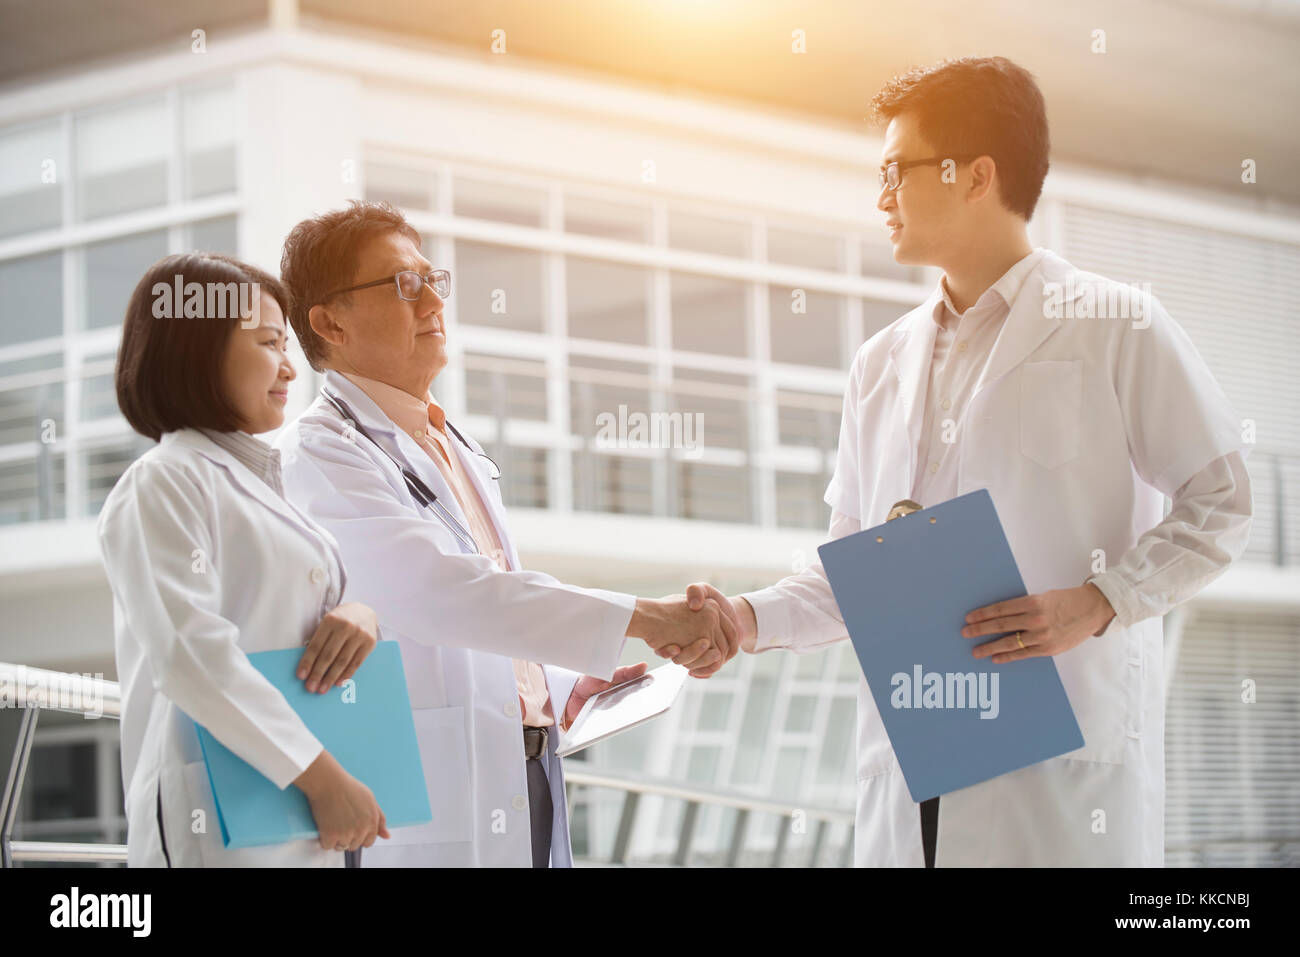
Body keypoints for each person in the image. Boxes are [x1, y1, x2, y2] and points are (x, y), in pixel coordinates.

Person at [687, 56, 1253, 867]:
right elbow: (852, 570)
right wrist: (744, 619)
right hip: (915, 774)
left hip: (1056, 779)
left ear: (974, 174)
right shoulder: (879, 365)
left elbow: (1222, 500)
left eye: (896, 170)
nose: (881, 196)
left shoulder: (1115, 324)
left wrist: (1099, 600)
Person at [274, 201, 738, 867]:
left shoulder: (447, 440)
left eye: (434, 278)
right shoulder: (322, 455)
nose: (433, 299)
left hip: (529, 769)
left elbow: (483, 613)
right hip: (435, 802)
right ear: (329, 322)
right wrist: (641, 616)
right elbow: (441, 592)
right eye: (404, 284)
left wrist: (554, 685)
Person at [98, 252, 389, 866]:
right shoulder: (164, 480)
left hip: (297, 812)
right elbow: (191, 657)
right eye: (266, 342)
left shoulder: (256, 482)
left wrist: (360, 613)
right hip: (227, 821)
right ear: (195, 349)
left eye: (286, 344)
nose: (289, 366)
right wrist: (322, 778)